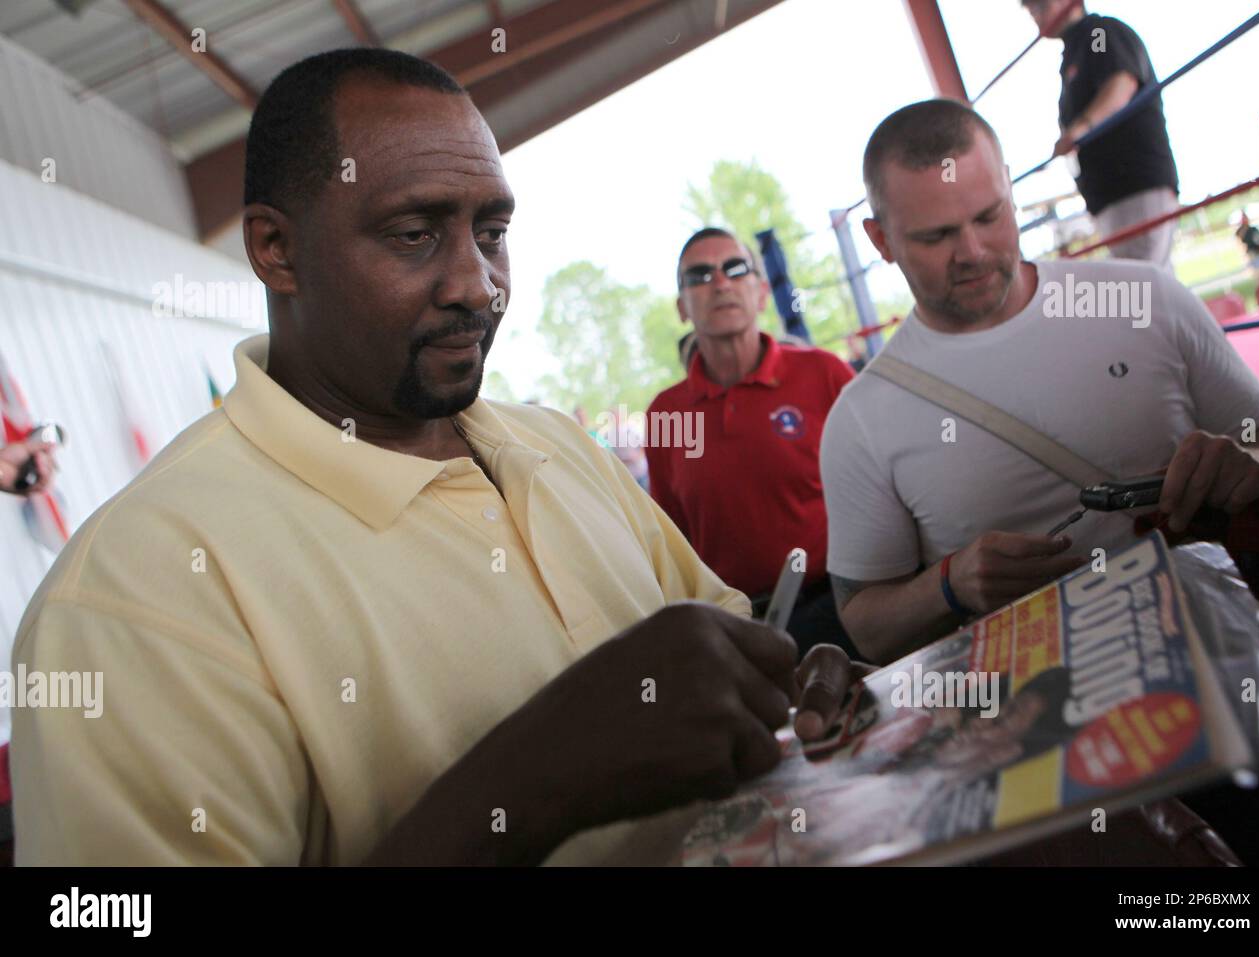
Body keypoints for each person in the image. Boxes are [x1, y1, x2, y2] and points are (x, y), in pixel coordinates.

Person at [10, 48, 858, 866]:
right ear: (276, 249)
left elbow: (729, 643)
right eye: (415, 234)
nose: (478, 284)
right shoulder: (129, 599)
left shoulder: (556, 446)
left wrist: (790, 677)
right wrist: (534, 782)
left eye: (491, 231)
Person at [821, 98, 1259, 667]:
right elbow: (866, 628)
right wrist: (948, 585)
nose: (972, 252)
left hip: (1232, 654)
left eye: (989, 216)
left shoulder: (1145, 299)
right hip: (1043, 715)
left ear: (1011, 194)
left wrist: (1257, 467)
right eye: (936, 236)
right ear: (881, 242)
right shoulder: (861, 419)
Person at [645, 227, 858, 658]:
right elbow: (671, 545)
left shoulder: (824, 374)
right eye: (700, 275)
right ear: (682, 307)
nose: (720, 283)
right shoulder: (666, 414)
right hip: (740, 635)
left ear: (762, 293)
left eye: (735, 269)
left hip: (847, 605)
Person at [1023, 0, 1180, 268]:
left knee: (1143, 289)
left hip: (1132, 185)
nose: (1036, 16)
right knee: (1143, 289)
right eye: (1031, 10)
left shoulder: (1098, 33)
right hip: (1112, 193)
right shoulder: (1076, 51)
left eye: (1040, 5)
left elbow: (1121, 82)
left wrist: (1078, 130)